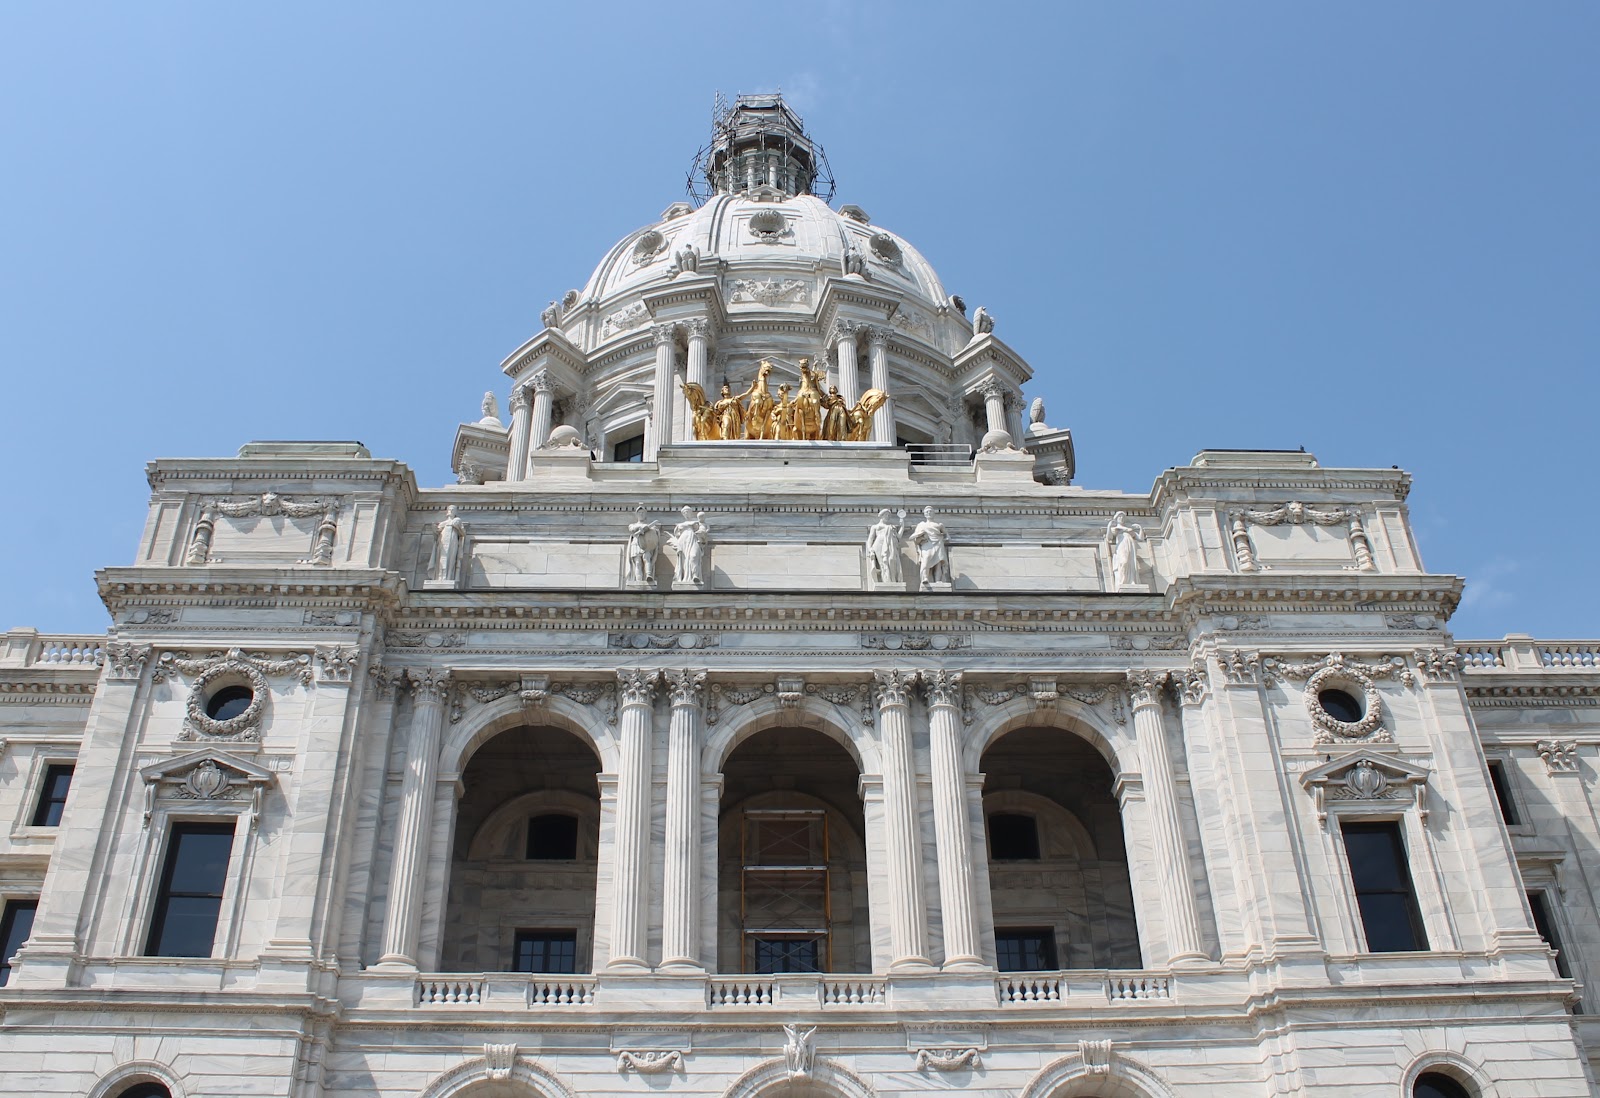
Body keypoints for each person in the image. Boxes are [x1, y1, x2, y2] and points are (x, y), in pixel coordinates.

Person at [909, 505, 951, 585]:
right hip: (927, 544)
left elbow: (947, 537)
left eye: (930, 511)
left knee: (938, 563)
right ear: (924, 514)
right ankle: (925, 578)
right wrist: (921, 536)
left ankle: (938, 580)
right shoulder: (921, 525)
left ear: (934, 513)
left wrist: (945, 535)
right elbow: (913, 537)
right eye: (927, 512)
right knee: (926, 560)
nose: (929, 513)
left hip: (938, 544)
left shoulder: (939, 525)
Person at [669, 505, 710, 584]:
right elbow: (677, 534)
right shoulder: (680, 525)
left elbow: (703, 529)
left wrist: (701, 532)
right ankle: (686, 578)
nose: (686, 514)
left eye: (687, 512)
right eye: (684, 512)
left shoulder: (697, 523)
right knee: (683, 560)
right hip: (683, 541)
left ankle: (695, 575)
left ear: (691, 513)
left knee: (693, 556)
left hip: (693, 539)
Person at [865, 508, 907, 583]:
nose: (887, 517)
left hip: (891, 546)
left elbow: (899, 536)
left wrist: (902, 526)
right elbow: (870, 540)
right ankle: (887, 581)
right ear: (881, 516)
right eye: (886, 515)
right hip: (879, 545)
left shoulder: (891, 526)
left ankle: (893, 580)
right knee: (883, 563)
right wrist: (870, 549)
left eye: (888, 515)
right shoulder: (875, 526)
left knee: (892, 561)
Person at [1106, 510, 1144, 588]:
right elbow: (1109, 537)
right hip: (1122, 545)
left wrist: (1140, 529)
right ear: (1116, 518)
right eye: (1119, 516)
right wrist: (1109, 526)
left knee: (1132, 564)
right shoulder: (1116, 528)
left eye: (1123, 516)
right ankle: (1122, 581)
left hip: (1131, 546)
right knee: (1124, 561)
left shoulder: (1129, 529)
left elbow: (1140, 538)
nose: (1121, 518)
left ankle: (1132, 581)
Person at [625, 506, 660, 584]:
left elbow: (654, 532)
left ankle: (648, 575)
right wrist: (641, 527)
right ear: (637, 515)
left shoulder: (650, 526)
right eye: (639, 513)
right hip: (636, 543)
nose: (641, 514)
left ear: (645, 515)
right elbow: (632, 529)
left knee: (647, 558)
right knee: (637, 562)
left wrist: (647, 529)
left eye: (643, 513)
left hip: (646, 544)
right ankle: (639, 580)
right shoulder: (633, 525)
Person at [432, 505, 466, 582]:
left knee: (451, 558)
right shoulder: (443, 523)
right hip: (443, 542)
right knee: (441, 558)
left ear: (455, 512)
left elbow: (463, 533)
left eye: (453, 509)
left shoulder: (457, 520)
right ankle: (439, 577)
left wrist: (457, 527)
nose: (450, 510)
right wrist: (434, 529)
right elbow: (436, 534)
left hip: (453, 541)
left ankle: (449, 577)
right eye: (449, 509)